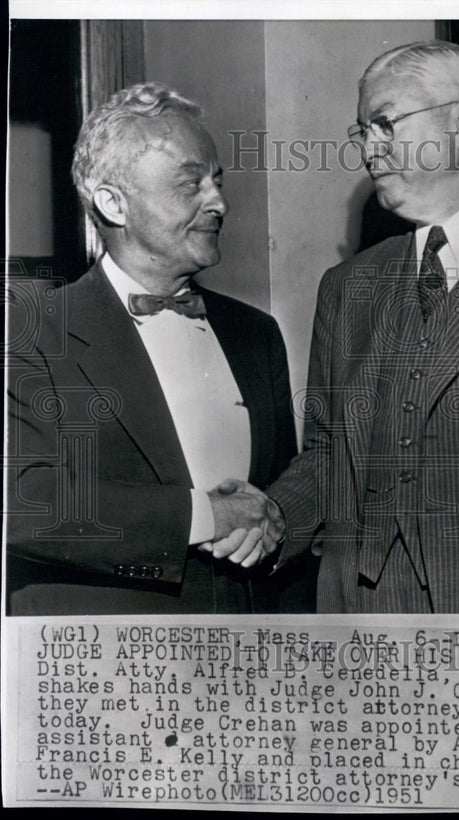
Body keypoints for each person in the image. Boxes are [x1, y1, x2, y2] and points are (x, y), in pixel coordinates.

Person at [254, 41, 459, 613]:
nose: (369, 149)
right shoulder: (346, 285)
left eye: (384, 123)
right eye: (362, 132)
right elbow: (329, 453)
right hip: (368, 615)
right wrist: (270, 516)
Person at [6, 81, 297, 615]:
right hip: (108, 667)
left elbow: (277, 503)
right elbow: (23, 507)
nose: (219, 202)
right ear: (114, 203)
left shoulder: (257, 334)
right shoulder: (29, 335)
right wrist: (204, 517)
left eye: (217, 181)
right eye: (191, 184)